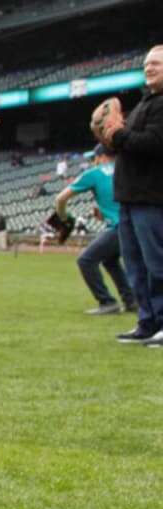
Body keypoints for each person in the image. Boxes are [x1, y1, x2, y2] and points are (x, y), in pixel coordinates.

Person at [98, 45, 163, 346]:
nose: (149, 68)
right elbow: (128, 144)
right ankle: (147, 323)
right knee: (136, 265)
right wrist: (111, 138)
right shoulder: (143, 104)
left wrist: (118, 135)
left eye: (157, 64)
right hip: (130, 196)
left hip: (152, 197)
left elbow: (153, 143)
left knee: (156, 263)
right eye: (147, 63)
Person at [57, 144, 135, 316]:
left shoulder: (95, 172)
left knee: (86, 260)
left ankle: (107, 302)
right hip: (134, 225)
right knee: (110, 260)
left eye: (94, 158)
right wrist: (102, 216)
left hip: (118, 227)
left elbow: (60, 199)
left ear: (102, 158)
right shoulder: (127, 169)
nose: (93, 162)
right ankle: (131, 300)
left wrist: (64, 219)